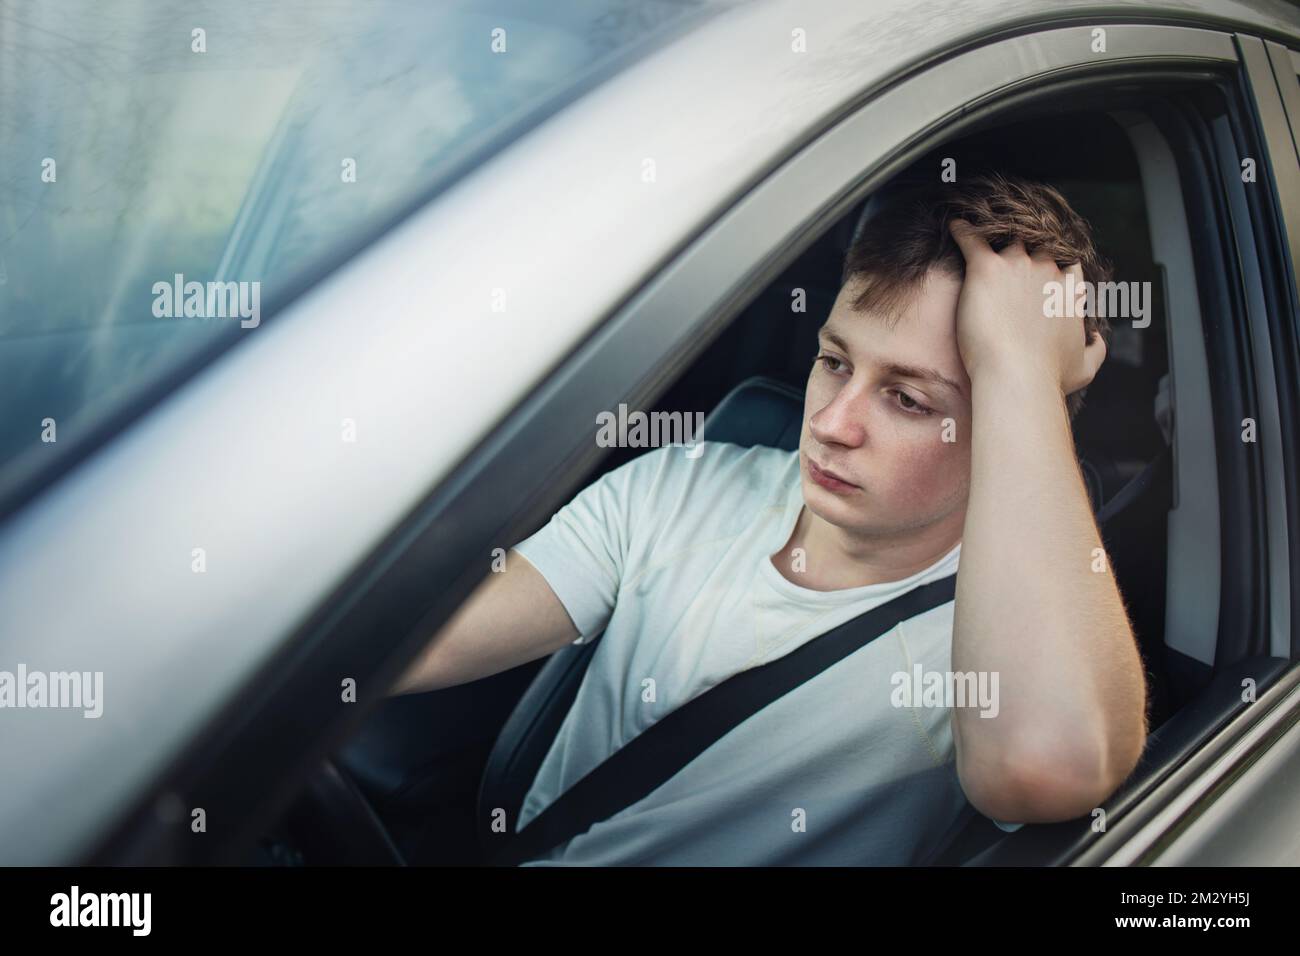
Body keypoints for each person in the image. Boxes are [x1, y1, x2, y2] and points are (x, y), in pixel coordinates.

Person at [391, 172, 1150, 865]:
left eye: (909, 400)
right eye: (835, 362)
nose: (833, 423)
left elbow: (1048, 764)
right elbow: (407, 644)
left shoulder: (1005, 637)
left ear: (1014, 428)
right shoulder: (686, 487)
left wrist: (1022, 370)